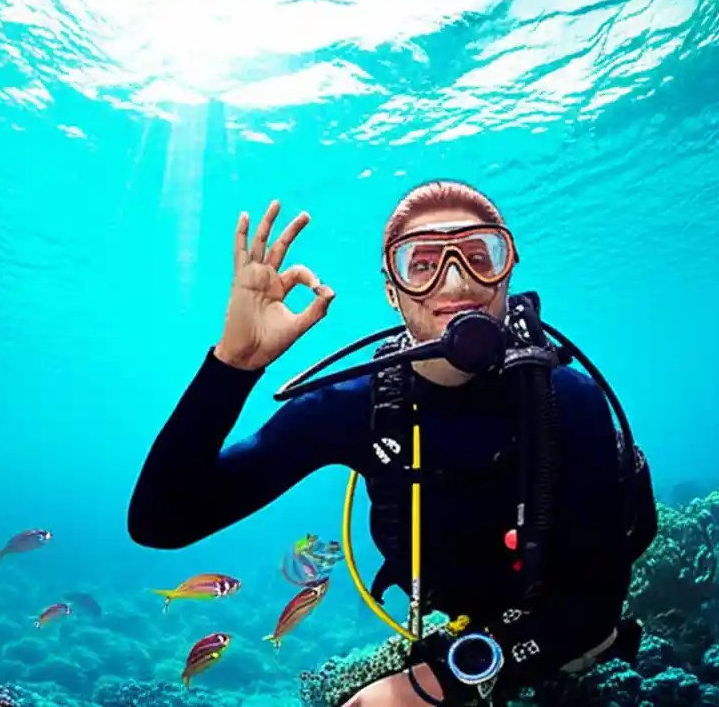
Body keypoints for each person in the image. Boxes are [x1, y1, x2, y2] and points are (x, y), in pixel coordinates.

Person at [128, 180, 658, 706]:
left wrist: (435, 683)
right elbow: (162, 521)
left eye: (480, 256)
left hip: (572, 648)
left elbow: (596, 602)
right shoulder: (355, 405)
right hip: (462, 627)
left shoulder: (568, 399)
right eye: (422, 264)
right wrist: (233, 366)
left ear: (508, 271)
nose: (457, 282)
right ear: (392, 289)